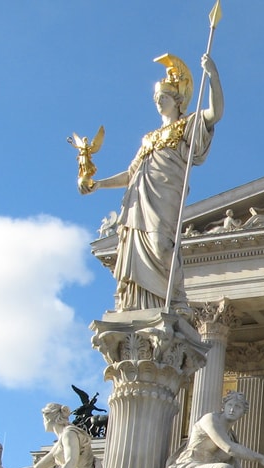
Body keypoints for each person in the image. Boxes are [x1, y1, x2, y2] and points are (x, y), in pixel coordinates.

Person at [79, 53, 224, 311]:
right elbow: (130, 174)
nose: (158, 102)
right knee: (136, 251)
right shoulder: (149, 138)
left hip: (165, 194)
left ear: (177, 101)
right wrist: (98, 184)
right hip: (140, 198)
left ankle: (175, 300)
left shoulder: (187, 126)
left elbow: (215, 113)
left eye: (163, 98)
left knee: (161, 247)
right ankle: (141, 306)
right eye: (156, 98)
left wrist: (213, 76)